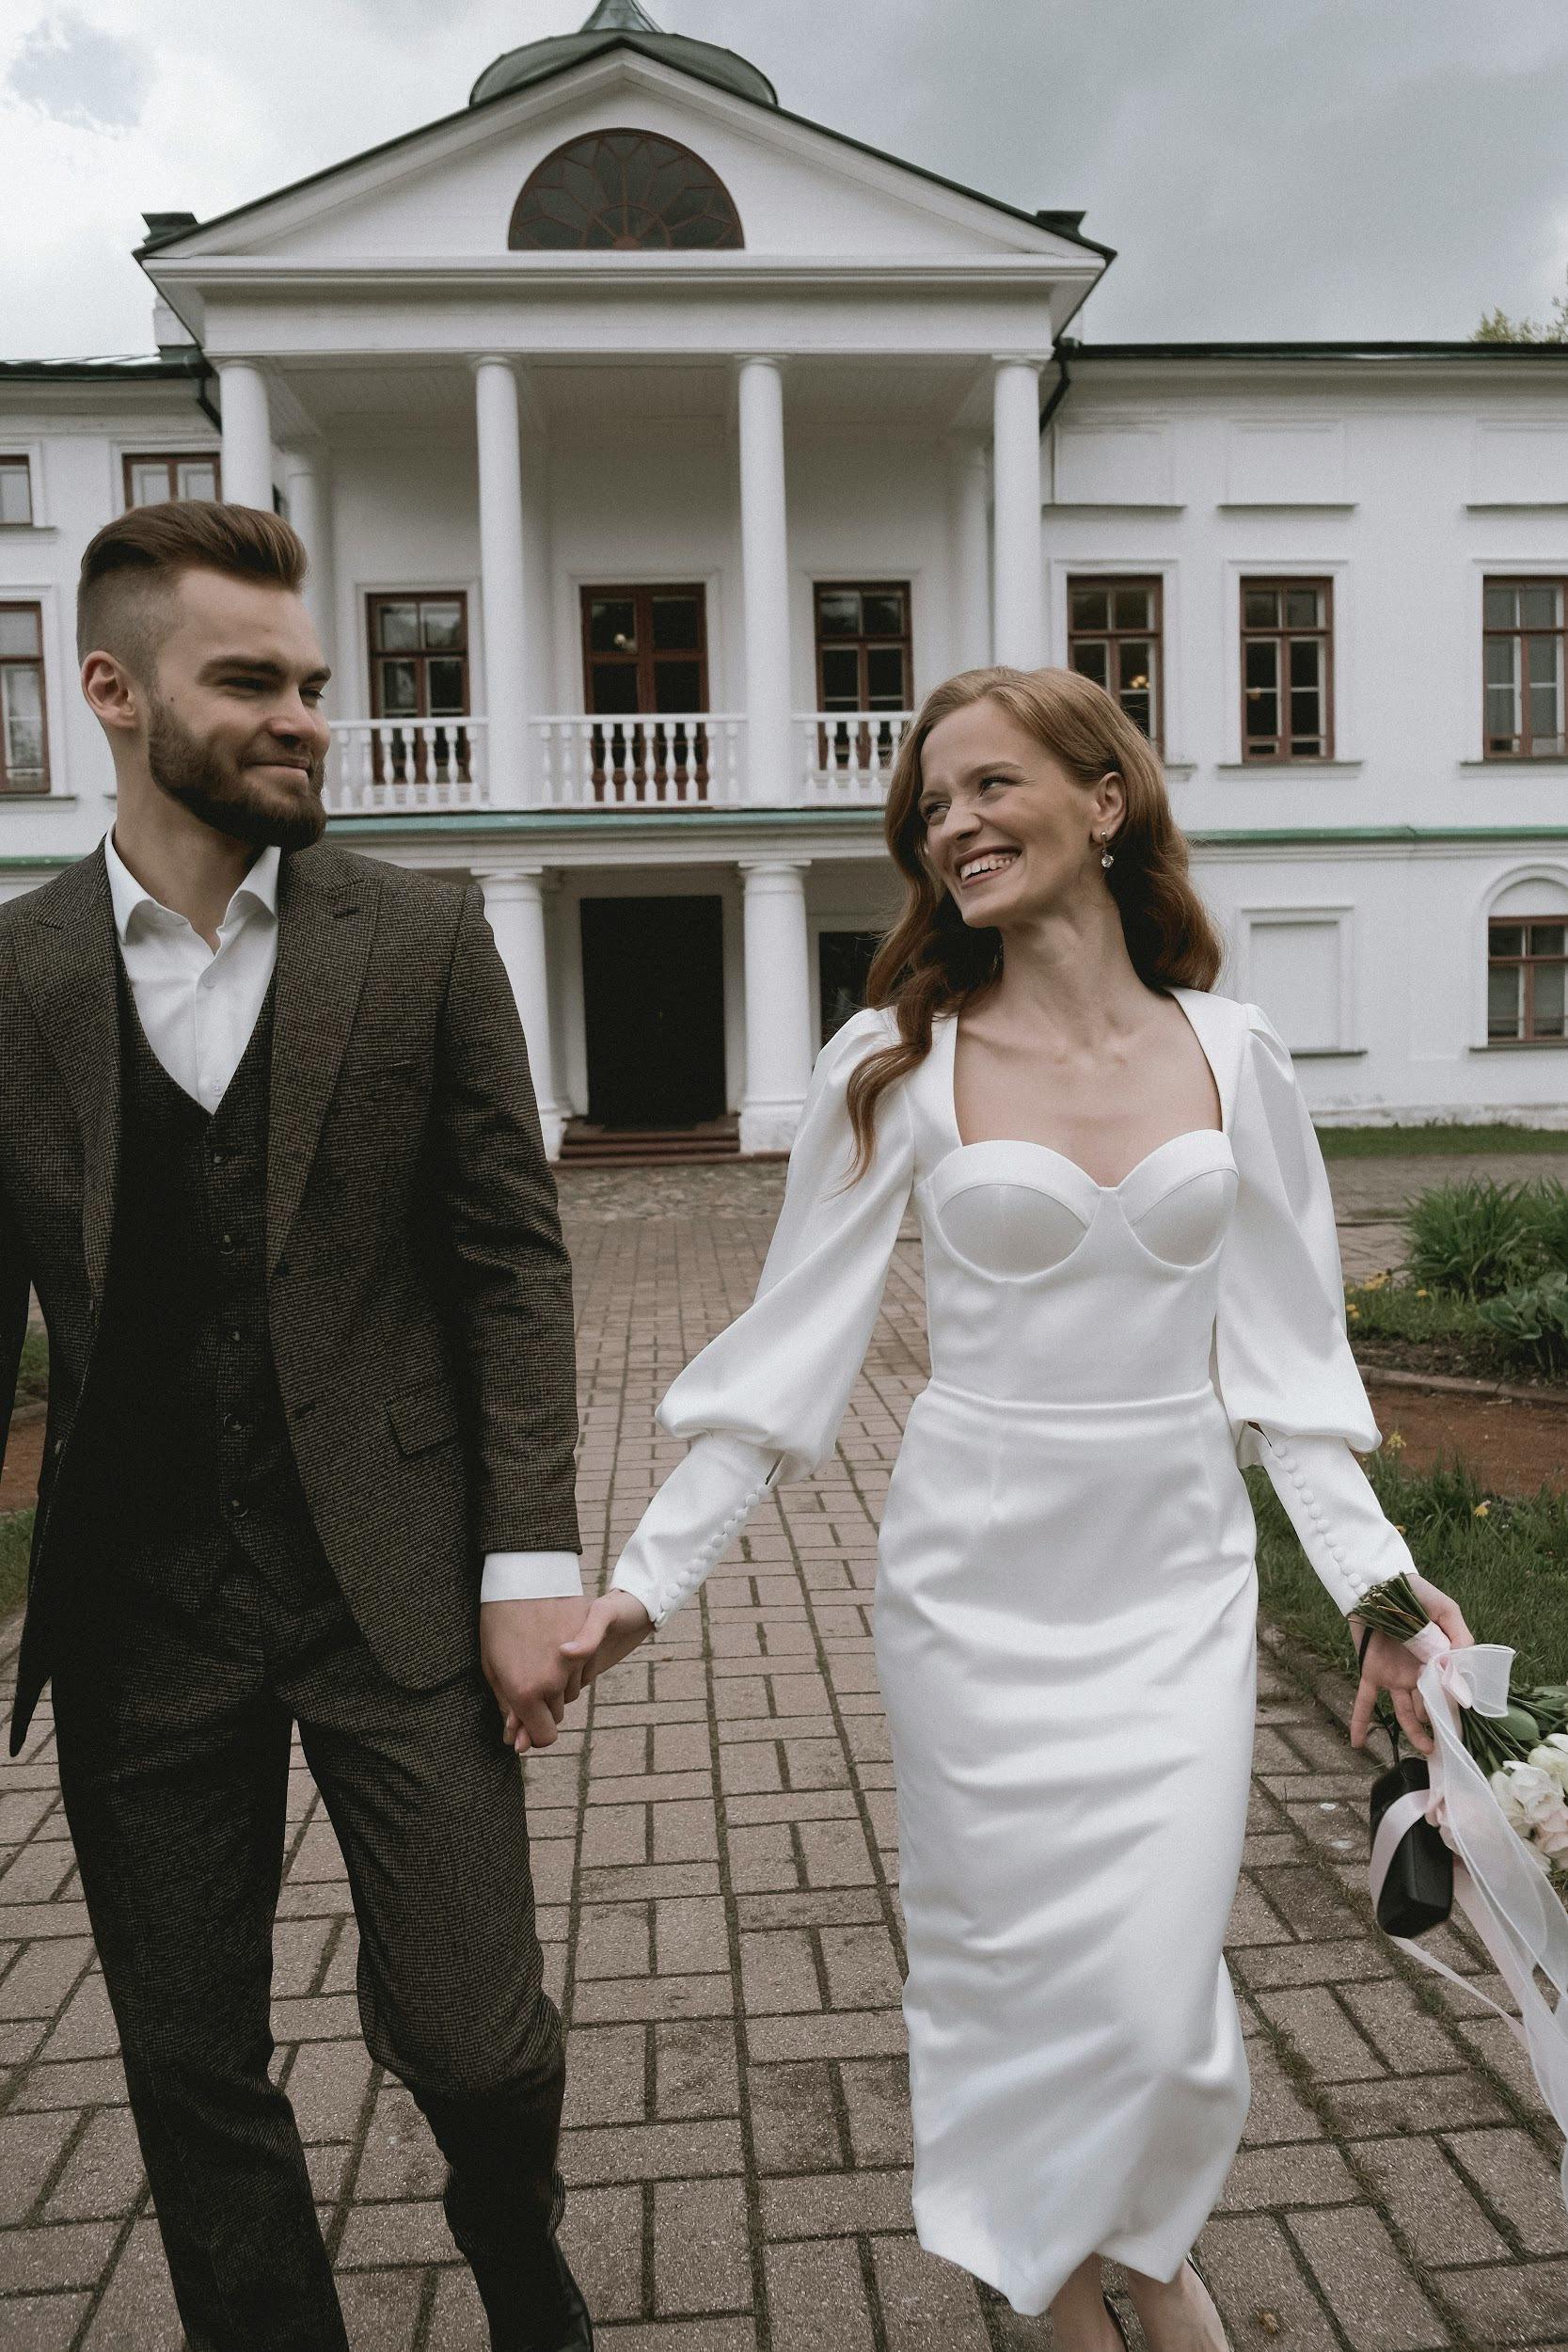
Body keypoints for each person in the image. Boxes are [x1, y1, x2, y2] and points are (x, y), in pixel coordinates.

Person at [556, 666, 1472, 2352]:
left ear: (1104, 802)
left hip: (1173, 1577)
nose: (951, 823)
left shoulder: (1238, 1051)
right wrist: (644, 1582)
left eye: (989, 786)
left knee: (1154, 2004)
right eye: (932, 805)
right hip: (978, 1590)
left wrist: (1381, 1594)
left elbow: (1287, 1369)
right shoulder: (895, 1065)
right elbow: (783, 1368)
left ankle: (1137, 2252)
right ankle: (1083, 2286)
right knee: (1012, 1996)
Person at [0, 501, 594, 2352]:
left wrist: (528, 1561)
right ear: (111, 691)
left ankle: (513, 2242)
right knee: (190, 2068)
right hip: (136, 1610)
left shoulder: (419, 942)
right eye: (249, 679)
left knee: (481, 2040)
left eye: (314, 682)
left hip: (396, 1573)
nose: (307, 715)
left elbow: (511, 1260)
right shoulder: (13, 979)